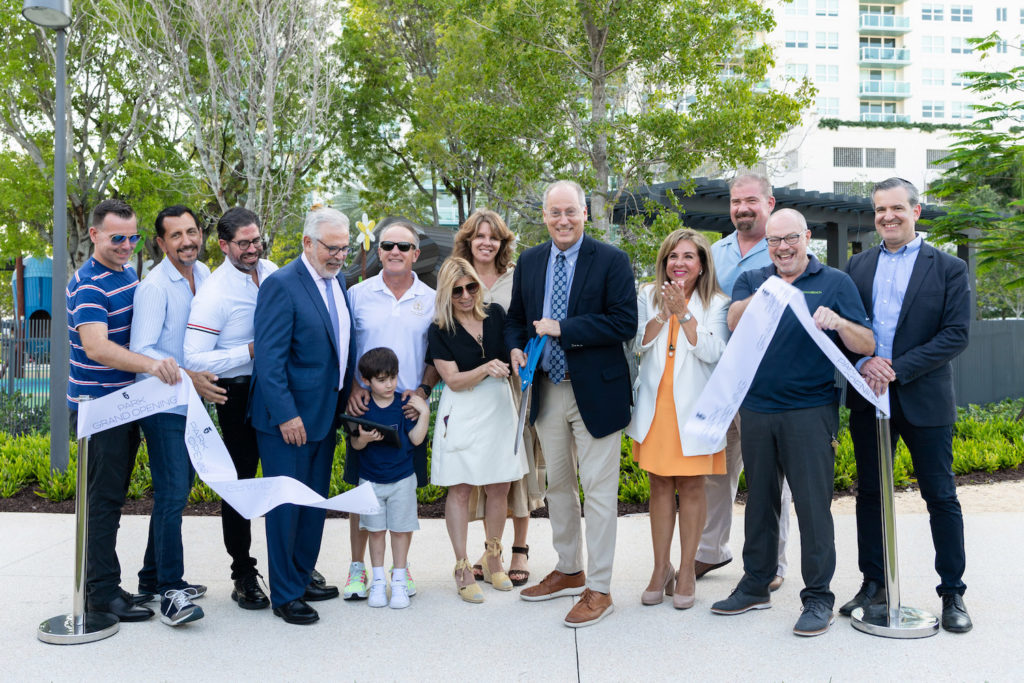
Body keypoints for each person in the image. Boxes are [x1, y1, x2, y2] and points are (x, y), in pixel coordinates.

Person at [710, 209, 875, 637]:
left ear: (807, 238)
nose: (782, 247)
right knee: (760, 501)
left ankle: (818, 596)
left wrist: (838, 322)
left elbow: (867, 342)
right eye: (774, 240)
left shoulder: (835, 282)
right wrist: (765, 292)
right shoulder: (754, 279)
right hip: (757, 408)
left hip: (811, 410)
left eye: (791, 239)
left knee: (812, 506)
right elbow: (732, 322)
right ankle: (756, 584)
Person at [839, 177, 972, 633]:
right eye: (880, 210)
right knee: (870, 495)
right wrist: (865, 363)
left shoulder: (948, 268)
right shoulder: (856, 266)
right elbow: (845, 329)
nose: (887, 217)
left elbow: (956, 334)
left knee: (940, 496)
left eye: (896, 208)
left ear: (916, 211)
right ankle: (873, 583)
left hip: (924, 397)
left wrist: (894, 367)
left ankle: (952, 592)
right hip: (868, 396)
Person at [505, 180, 637, 628]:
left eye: (570, 212)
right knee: (558, 488)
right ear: (544, 216)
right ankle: (569, 568)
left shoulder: (612, 260)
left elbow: (624, 322)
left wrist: (563, 328)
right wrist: (516, 347)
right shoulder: (530, 260)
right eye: (554, 213)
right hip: (547, 388)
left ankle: (599, 588)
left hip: (596, 393)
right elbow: (516, 321)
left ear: (585, 213)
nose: (563, 220)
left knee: (599, 494)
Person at [67, 199, 180, 622]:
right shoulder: (92, 284)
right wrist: (152, 364)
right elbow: (96, 347)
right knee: (103, 502)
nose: (127, 245)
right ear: (94, 234)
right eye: (118, 238)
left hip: (125, 405)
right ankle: (101, 595)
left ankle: (109, 586)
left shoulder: (124, 275)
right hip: (99, 409)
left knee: (111, 500)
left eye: (133, 238)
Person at [250, 207, 355, 625]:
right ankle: (285, 594)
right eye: (332, 248)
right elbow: (269, 362)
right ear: (308, 242)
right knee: (286, 507)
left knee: (313, 503)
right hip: (287, 421)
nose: (340, 256)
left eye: (345, 248)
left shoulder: (338, 279)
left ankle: (302, 576)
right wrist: (286, 415)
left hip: (325, 413)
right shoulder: (280, 285)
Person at [130, 205, 227, 626]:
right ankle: (171, 591)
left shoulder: (205, 275)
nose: (187, 241)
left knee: (180, 488)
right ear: (161, 242)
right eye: (176, 235)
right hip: (163, 404)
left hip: (193, 404)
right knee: (171, 494)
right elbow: (143, 350)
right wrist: (188, 374)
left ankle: (151, 579)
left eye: (192, 232)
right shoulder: (153, 287)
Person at [626, 229, 730, 609]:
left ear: (702, 265)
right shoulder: (647, 295)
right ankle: (660, 569)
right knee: (658, 485)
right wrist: (663, 314)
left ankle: (686, 570)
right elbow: (639, 342)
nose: (679, 263)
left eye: (688, 257)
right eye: (673, 256)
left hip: (694, 410)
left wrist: (684, 315)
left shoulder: (716, 303)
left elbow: (714, 351)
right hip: (656, 407)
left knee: (691, 486)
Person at [699, 173, 791, 592]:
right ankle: (710, 550)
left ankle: (773, 562)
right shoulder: (714, 252)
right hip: (719, 379)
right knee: (715, 471)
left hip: (766, 381)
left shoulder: (783, 249)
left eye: (751, 200)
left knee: (769, 477)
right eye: (736, 202)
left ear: (769, 203)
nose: (742, 208)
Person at [185, 207, 277, 611]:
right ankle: (243, 573)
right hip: (236, 395)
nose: (254, 248)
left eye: (257, 240)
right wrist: (252, 351)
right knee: (240, 485)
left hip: (277, 392)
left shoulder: (274, 271)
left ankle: (292, 566)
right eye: (244, 243)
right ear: (223, 246)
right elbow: (195, 358)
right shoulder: (215, 293)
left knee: (282, 478)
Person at [344, 221, 439, 600]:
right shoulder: (357, 294)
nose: (395, 251)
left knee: (402, 493)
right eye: (388, 245)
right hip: (365, 405)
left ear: (416, 254)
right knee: (361, 492)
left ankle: (400, 569)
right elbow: (346, 348)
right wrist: (353, 386)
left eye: (404, 246)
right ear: (379, 250)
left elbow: (437, 351)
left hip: (407, 410)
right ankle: (357, 569)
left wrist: (424, 390)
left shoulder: (431, 298)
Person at [453, 209, 545, 586]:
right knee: (484, 472)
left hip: (514, 383)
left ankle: (520, 548)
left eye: (493, 237)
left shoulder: (516, 277)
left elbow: (525, 323)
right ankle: (491, 550)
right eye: (479, 236)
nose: (486, 243)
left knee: (515, 465)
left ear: (502, 242)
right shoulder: (458, 280)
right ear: (468, 241)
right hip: (474, 388)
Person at [429, 257, 529, 603]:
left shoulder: (497, 315)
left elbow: (513, 352)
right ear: (447, 292)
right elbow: (453, 380)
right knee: (460, 489)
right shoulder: (440, 328)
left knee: (499, 486)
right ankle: (460, 564)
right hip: (463, 410)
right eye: (457, 290)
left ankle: (493, 556)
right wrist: (487, 367)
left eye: (471, 286)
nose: (466, 294)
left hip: (500, 408)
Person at [348, 347, 430, 609]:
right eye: (382, 380)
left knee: (400, 530)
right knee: (375, 531)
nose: (389, 384)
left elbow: (415, 439)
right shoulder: (362, 408)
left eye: (392, 378)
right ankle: (378, 580)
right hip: (370, 480)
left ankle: (398, 582)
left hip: (402, 480)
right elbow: (356, 445)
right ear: (367, 381)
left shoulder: (403, 405)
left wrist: (425, 414)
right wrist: (363, 438)